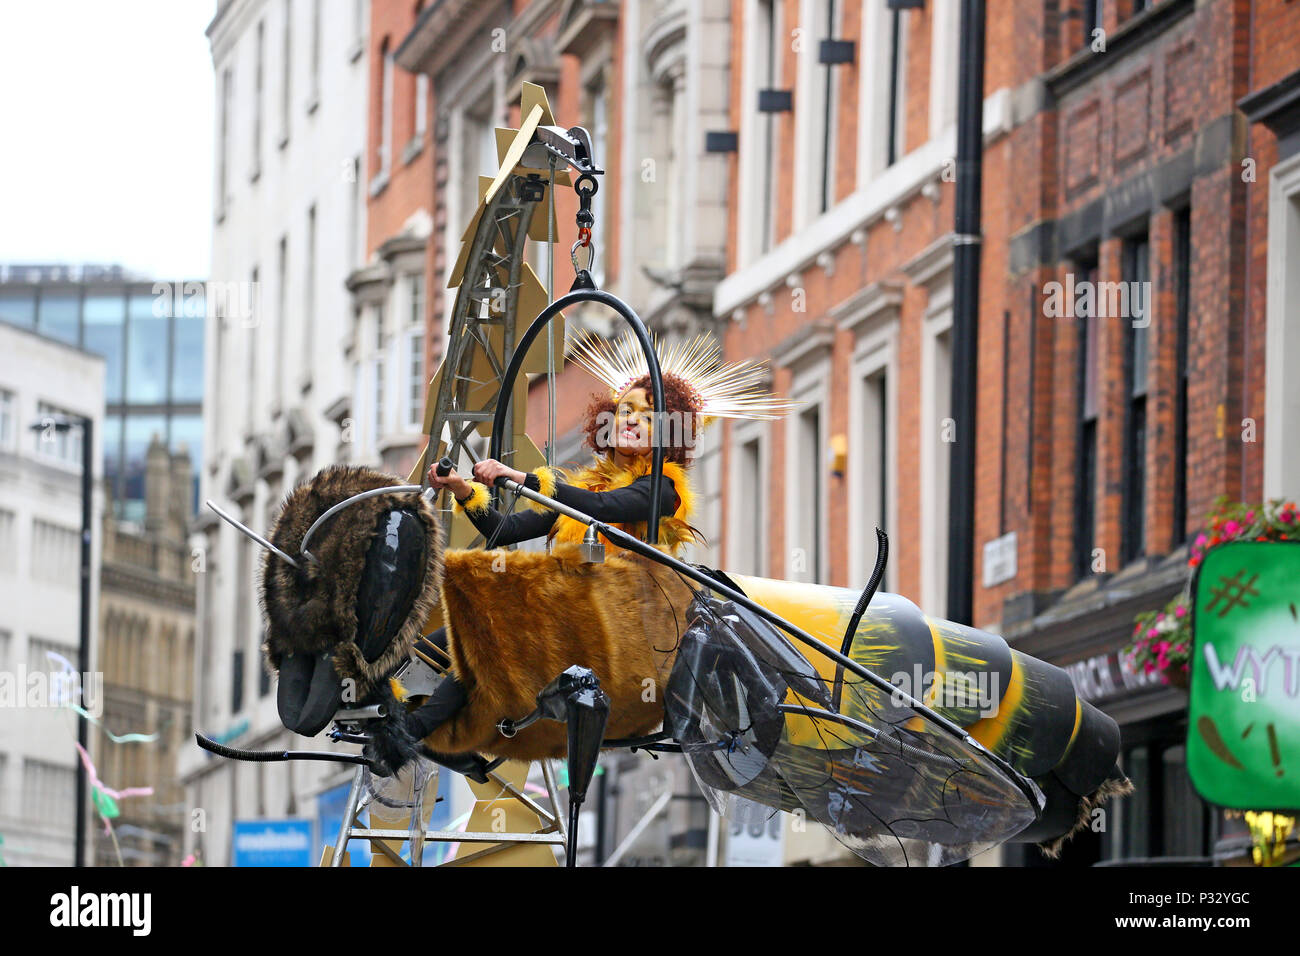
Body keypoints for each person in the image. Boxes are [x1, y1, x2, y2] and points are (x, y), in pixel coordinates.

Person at [378, 331, 793, 761]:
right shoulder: (581, 487)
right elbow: (504, 530)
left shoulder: (664, 488)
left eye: (648, 417)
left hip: (616, 625)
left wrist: (529, 481)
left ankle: (412, 730)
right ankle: (384, 697)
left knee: (490, 632)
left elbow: (605, 506)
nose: (631, 421)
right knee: (458, 629)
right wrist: (465, 491)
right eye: (626, 411)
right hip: (571, 612)